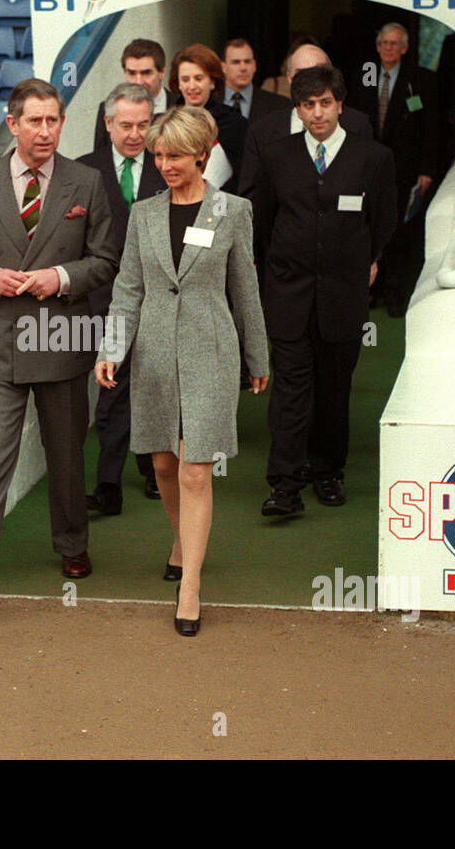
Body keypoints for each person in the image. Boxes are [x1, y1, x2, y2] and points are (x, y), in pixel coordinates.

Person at [0, 78, 118, 610]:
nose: (45, 131)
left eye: (53, 120)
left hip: (62, 338)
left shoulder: (86, 182)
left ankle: (73, 545)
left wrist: (60, 277)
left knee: (65, 456)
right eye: (35, 121)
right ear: (12, 124)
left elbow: (106, 259)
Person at [96, 106, 269, 635]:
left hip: (210, 353)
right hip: (152, 355)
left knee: (195, 469)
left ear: (203, 153)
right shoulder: (144, 214)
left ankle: (190, 585)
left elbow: (245, 288)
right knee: (164, 466)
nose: (165, 165)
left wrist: (258, 355)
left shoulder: (232, 210)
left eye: (175, 155)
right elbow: (128, 288)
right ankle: (181, 541)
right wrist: (112, 348)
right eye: (159, 155)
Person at [251, 65, 396, 516]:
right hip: (288, 295)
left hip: (343, 297)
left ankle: (328, 472)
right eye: (309, 105)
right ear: (298, 109)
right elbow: (263, 219)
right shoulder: (276, 156)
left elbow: (383, 221)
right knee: (290, 391)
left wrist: (359, 261)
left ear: (341, 105)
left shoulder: (373, 158)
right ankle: (284, 485)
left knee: (334, 390)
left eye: (326, 103)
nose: (318, 113)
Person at [76, 83, 167, 513]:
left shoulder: (167, 165)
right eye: (126, 125)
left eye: (143, 125)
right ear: (108, 123)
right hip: (104, 300)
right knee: (112, 387)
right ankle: (108, 484)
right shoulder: (83, 171)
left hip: (161, 298)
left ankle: (154, 471)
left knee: (156, 387)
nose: (135, 134)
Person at [348, 22, 439, 316]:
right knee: (368, 229)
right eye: (384, 43)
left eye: (394, 43)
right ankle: (371, 291)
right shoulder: (365, 76)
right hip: (368, 170)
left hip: (404, 170)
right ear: (377, 47)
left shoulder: (420, 80)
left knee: (399, 234)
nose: (388, 48)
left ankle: (396, 294)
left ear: (404, 48)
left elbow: (432, 130)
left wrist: (426, 170)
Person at [238, 43, 373, 200]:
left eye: (318, 72)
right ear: (289, 79)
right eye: (301, 74)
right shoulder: (262, 131)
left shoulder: (357, 124)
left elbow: (369, 190)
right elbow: (250, 196)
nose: (311, 82)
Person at [168, 44, 247, 191]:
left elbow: (244, 177)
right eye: (185, 79)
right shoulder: (165, 122)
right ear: (178, 84)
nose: (192, 86)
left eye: (198, 78)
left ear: (212, 81)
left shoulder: (233, 123)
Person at [92, 39, 181, 152]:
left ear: (161, 72)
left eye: (146, 73)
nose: (138, 81)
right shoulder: (107, 108)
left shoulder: (181, 107)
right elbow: (101, 156)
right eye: (132, 73)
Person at [221, 38, 291, 124]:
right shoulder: (209, 103)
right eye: (236, 62)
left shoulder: (279, 105)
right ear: (223, 67)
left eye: (247, 62)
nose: (243, 68)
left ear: (254, 66)